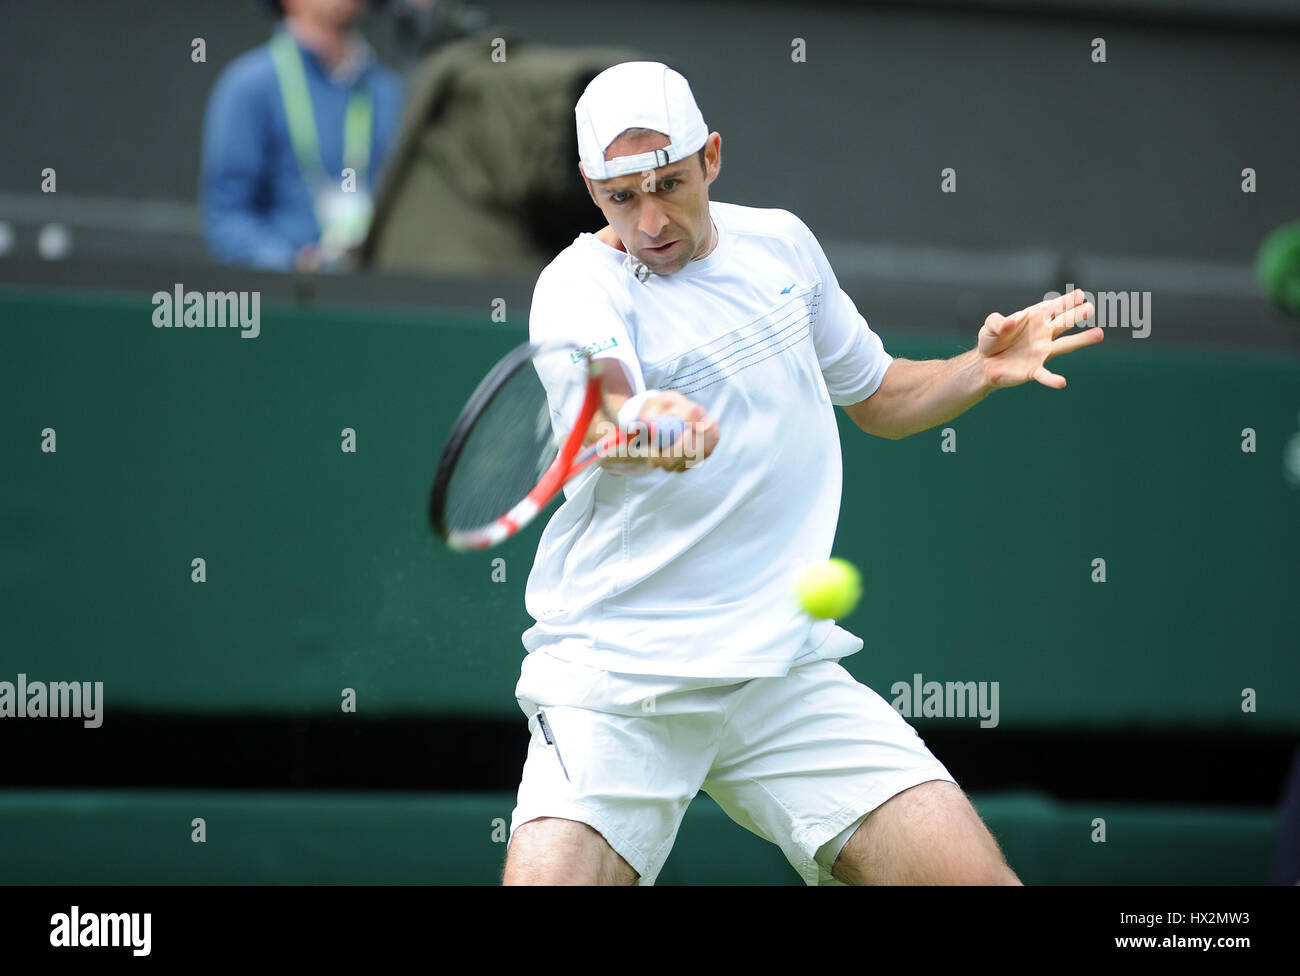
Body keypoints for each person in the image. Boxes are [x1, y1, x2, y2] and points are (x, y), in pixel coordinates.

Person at [506, 61, 1103, 886]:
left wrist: (978, 368)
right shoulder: (575, 289)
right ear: (588, 186)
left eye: (669, 184)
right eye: (619, 196)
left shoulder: (781, 243)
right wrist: (651, 430)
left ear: (711, 157)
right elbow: (612, 413)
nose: (649, 219)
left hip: (781, 670)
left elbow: (880, 396)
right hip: (623, 679)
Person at [200, 0, 404, 271]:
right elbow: (227, 216)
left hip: (376, 292)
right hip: (288, 298)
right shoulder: (250, 84)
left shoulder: (391, 92)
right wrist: (290, 264)